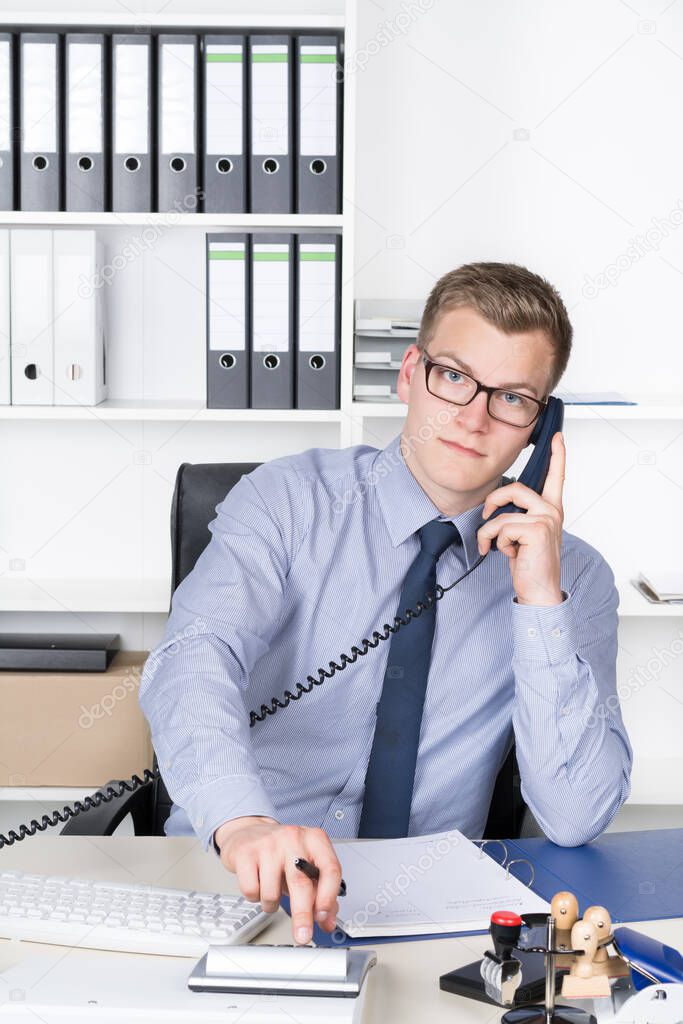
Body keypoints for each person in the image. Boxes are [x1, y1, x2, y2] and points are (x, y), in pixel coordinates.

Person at [139, 262, 633, 947]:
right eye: (453, 376)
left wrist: (539, 602)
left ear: (539, 425)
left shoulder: (574, 576)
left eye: (512, 397)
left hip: (426, 914)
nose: (472, 417)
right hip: (237, 879)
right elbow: (193, 660)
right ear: (408, 373)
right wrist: (242, 820)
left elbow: (575, 816)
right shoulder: (283, 501)